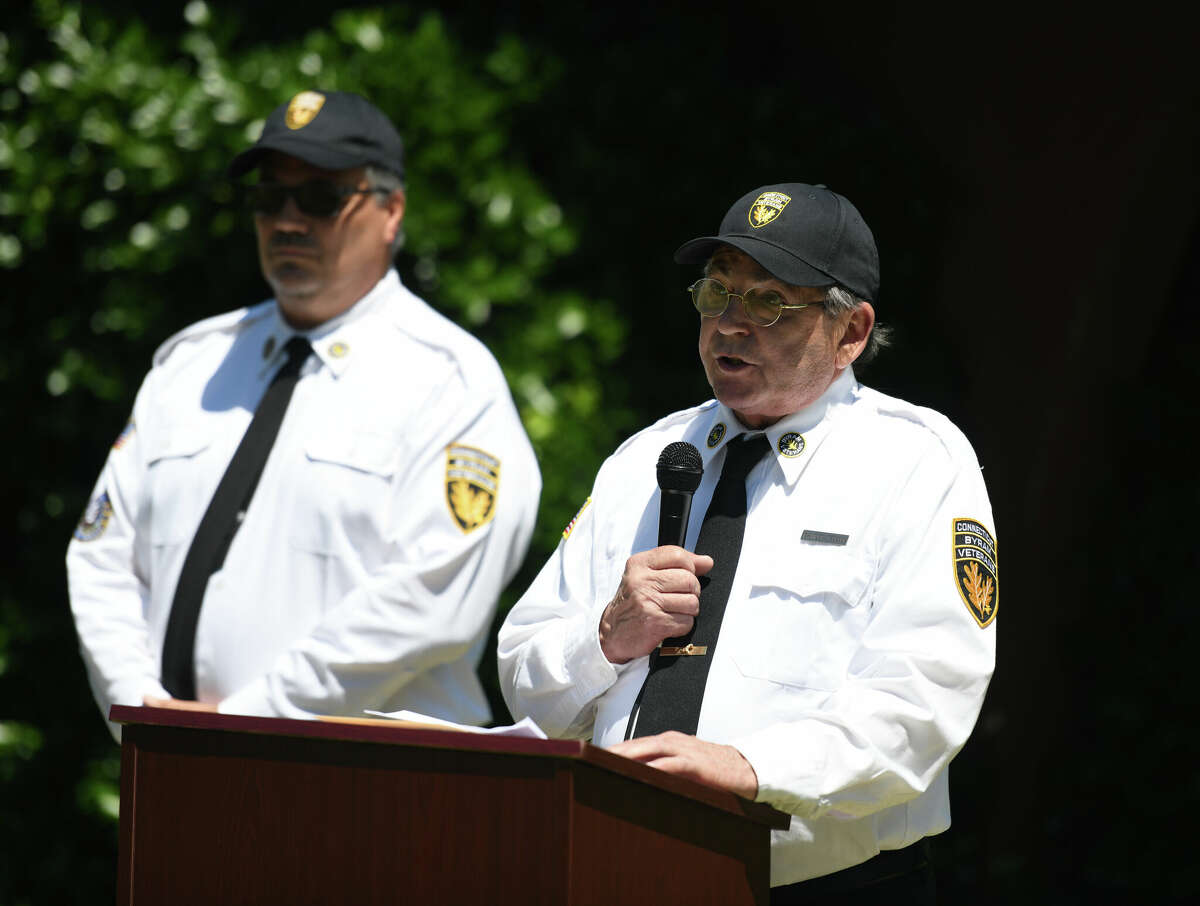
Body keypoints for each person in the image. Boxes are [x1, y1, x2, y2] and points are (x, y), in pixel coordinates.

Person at [498, 183, 996, 901]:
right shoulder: (646, 458)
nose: (730, 325)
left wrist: (751, 769)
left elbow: (927, 697)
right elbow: (522, 675)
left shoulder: (915, 461)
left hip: (822, 887)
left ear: (851, 332)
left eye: (769, 303)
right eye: (717, 293)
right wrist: (603, 638)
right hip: (619, 868)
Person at [68, 89, 541, 741]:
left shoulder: (449, 383)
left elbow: (429, 600)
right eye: (269, 198)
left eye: (320, 197)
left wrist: (246, 723)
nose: (288, 220)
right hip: (166, 766)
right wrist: (139, 708)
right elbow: (102, 557)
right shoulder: (190, 366)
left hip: (366, 780)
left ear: (391, 211)